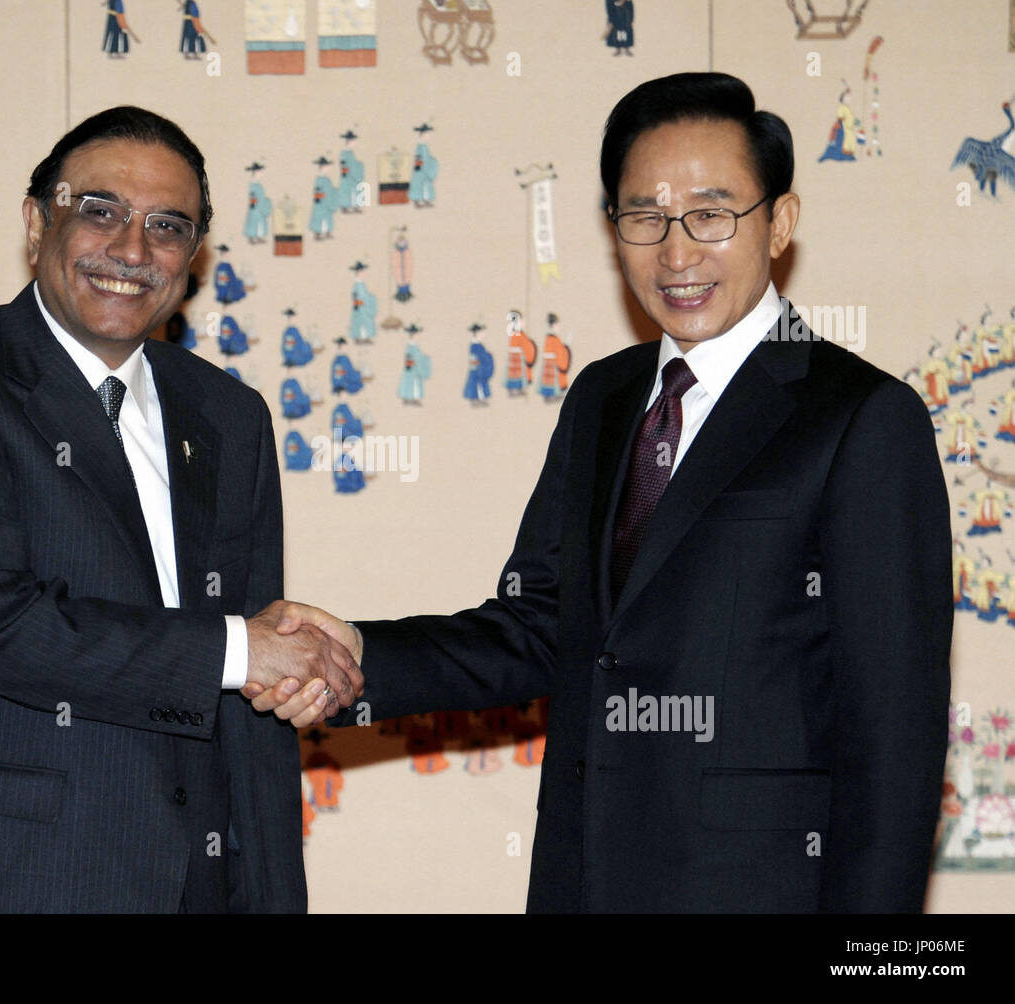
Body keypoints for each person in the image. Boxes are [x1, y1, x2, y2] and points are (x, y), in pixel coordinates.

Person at [252, 73, 952, 913]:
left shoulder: (862, 418)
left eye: (712, 213)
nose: (677, 251)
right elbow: (540, 624)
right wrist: (360, 656)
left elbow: (896, 737)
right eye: (644, 216)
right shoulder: (603, 399)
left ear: (780, 223)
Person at [0, 106, 361, 914]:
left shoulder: (229, 415)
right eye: (101, 212)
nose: (131, 249)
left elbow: (253, 705)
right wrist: (238, 652)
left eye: (167, 226)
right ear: (38, 220)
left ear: (194, 254)